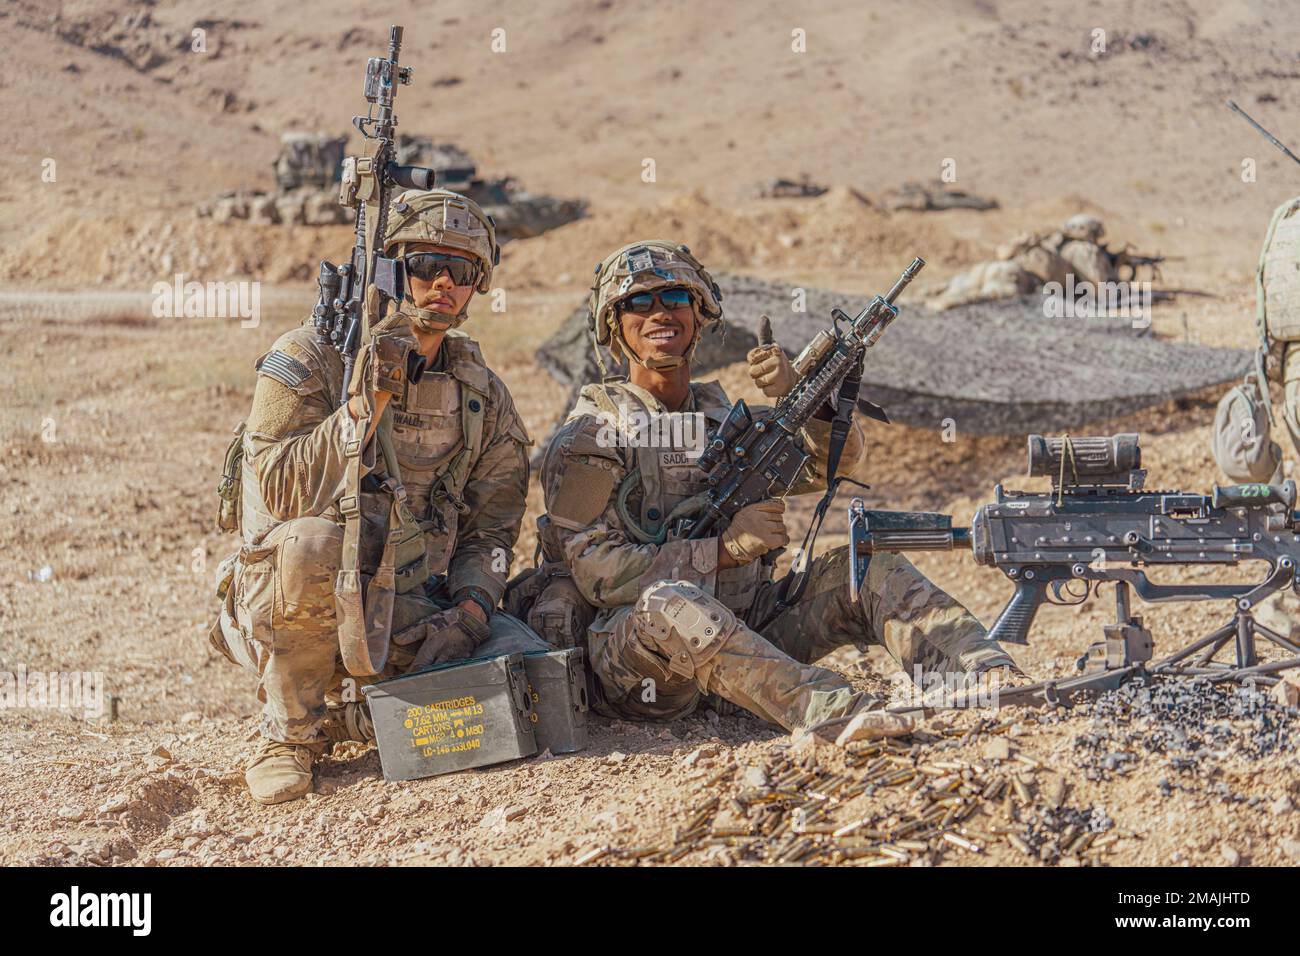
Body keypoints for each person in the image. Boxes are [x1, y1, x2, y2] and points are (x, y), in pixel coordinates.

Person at [535, 240, 1023, 737]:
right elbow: (597, 572)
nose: (660, 313)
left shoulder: (724, 423)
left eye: (676, 299)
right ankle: (837, 714)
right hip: (647, 666)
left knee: (868, 567)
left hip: (750, 634)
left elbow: (833, 461)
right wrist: (721, 551)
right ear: (614, 326)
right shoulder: (593, 437)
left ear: (699, 316)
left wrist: (803, 398)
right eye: (639, 303)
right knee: (672, 603)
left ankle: (988, 682)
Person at [209, 188, 535, 804]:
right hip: (300, 600)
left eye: (460, 271)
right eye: (423, 266)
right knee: (310, 542)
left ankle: (356, 721)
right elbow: (277, 491)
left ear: (476, 286)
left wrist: (469, 611)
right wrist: (361, 409)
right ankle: (289, 734)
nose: (442, 282)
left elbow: (491, 531)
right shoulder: (310, 358)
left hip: (407, 606)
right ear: (391, 269)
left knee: (532, 670)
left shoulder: (480, 394)